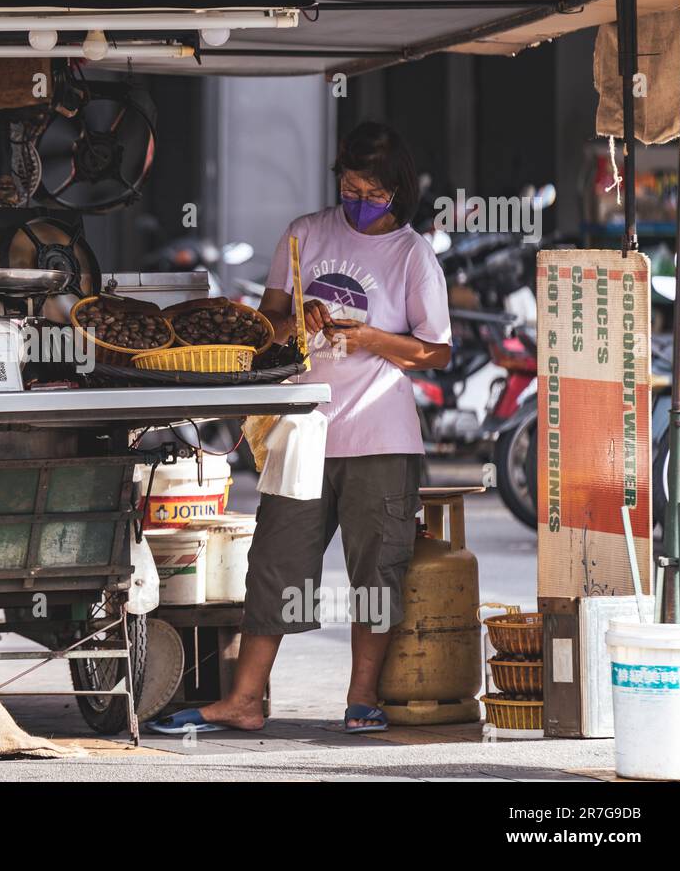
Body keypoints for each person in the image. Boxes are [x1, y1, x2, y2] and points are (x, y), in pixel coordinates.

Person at [149, 121, 452, 736]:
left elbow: (436, 351)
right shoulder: (305, 233)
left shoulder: (412, 253)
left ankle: (362, 697)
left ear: (398, 190)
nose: (358, 202)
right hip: (301, 433)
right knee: (276, 564)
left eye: (372, 193)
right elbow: (268, 325)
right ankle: (245, 699)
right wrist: (299, 321)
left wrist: (369, 338)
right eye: (349, 187)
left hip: (381, 437)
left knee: (376, 568)